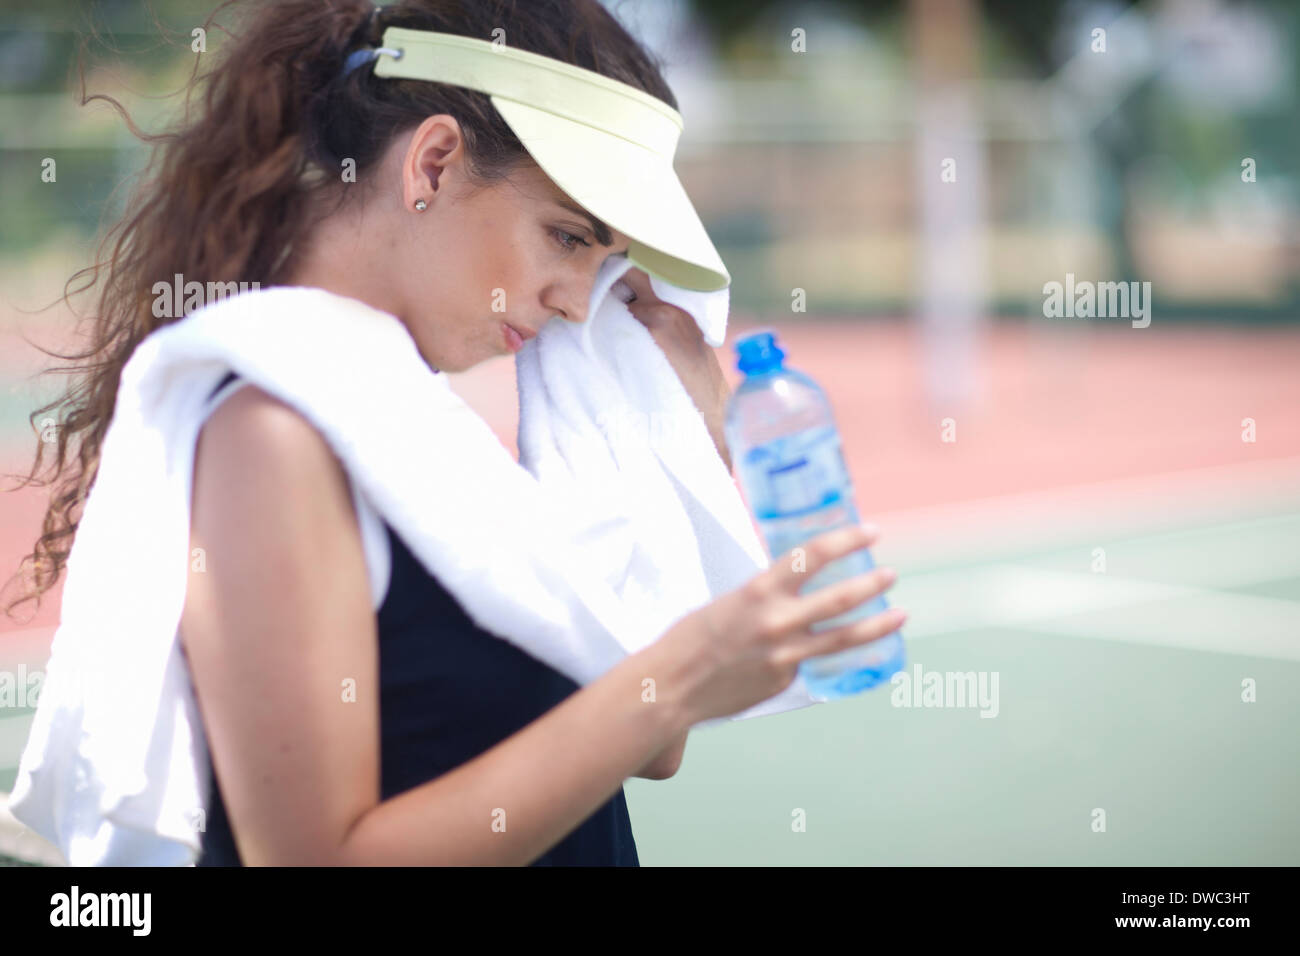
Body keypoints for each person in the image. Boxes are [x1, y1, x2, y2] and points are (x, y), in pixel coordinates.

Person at [4, 0, 905, 865]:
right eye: (565, 238)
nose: (574, 301)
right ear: (432, 164)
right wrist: (683, 673)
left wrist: (688, 441)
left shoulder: (422, 431)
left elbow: (643, 748)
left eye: (606, 263)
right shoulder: (273, 436)